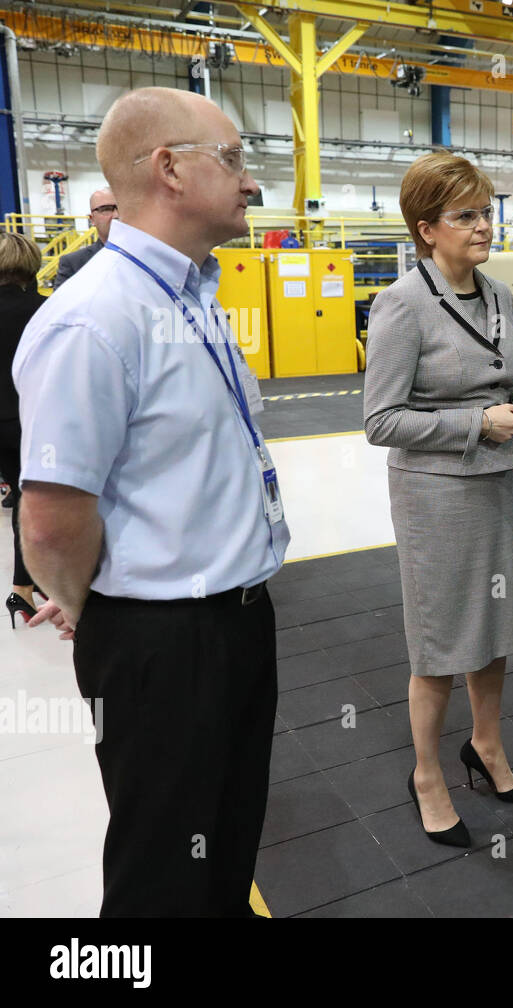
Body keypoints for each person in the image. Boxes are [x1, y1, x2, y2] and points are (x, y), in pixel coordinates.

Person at [14, 86, 288, 916]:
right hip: (165, 644)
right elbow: (53, 523)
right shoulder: (93, 321)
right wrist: (99, 604)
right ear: (169, 169)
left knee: (226, 846)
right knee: (161, 877)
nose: (250, 183)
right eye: (234, 159)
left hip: (235, 619)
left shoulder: (192, 295)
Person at [364, 151, 513, 847]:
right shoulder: (401, 304)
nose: (484, 225)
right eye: (466, 215)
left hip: (499, 479)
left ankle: (488, 748)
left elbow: (505, 383)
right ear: (426, 228)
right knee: (440, 643)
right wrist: (477, 423)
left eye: (487, 210)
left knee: (494, 629)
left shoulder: (498, 294)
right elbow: (382, 420)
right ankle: (427, 776)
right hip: (436, 494)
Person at [0, 232, 45, 625]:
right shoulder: (45, 310)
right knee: (34, 501)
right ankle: (24, 587)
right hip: (31, 420)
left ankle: (27, 587)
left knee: (21, 496)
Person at [52, 187, 118, 289]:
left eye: (121, 208)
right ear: (92, 220)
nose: (116, 215)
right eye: (106, 209)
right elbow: (61, 304)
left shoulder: (147, 255)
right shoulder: (74, 263)